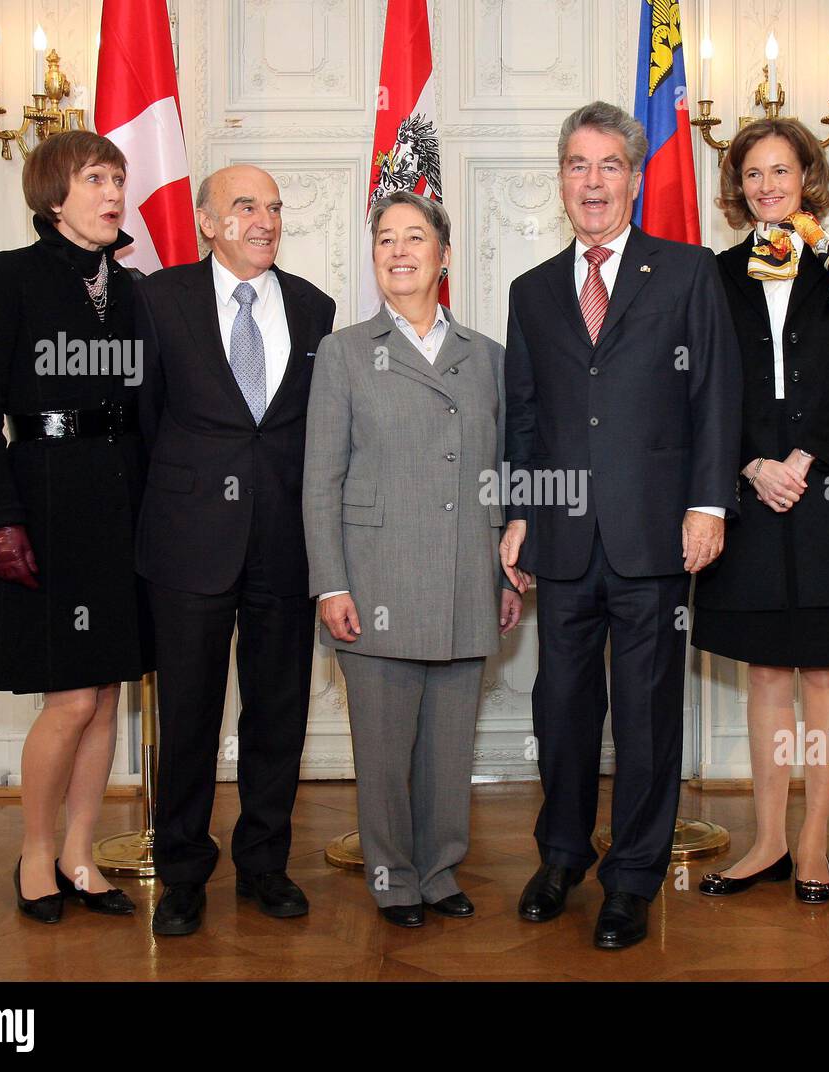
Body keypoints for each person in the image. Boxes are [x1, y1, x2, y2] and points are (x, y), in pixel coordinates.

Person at [502, 101, 741, 950]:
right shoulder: (529, 292)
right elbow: (522, 419)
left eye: (609, 165)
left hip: (655, 539)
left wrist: (708, 505)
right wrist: (519, 514)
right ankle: (562, 855)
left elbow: (716, 396)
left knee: (644, 714)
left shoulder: (686, 273)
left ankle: (632, 876)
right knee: (561, 708)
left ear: (635, 178)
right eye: (578, 165)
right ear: (561, 180)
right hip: (562, 542)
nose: (593, 181)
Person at [691, 119, 829, 904]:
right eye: (753, 173)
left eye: (781, 170)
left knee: (822, 667)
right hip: (752, 492)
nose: (767, 184)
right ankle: (769, 840)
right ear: (738, 187)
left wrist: (804, 458)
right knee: (767, 669)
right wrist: (751, 462)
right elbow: (708, 383)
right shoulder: (715, 274)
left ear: (807, 176)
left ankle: (815, 840)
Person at [303, 191, 522, 928]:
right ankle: (393, 876)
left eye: (415, 238)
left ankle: (438, 869)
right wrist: (329, 582)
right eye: (386, 240)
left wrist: (504, 569)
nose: (399, 251)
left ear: (445, 256)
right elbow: (320, 479)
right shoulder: (343, 352)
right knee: (387, 750)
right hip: (374, 580)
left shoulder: (487, 357)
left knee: (448, 746)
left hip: (466, 577)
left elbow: (502, 471)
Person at [134, 164, 336, 936]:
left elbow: (317, 432)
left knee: (277, 713)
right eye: (245, 206)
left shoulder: (315, 307)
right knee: (186, 717)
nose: (265, 220)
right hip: (188, 548)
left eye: (275, 208)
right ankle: (182, 872)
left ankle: (264, 865)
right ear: (207, 221)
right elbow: (146, 423)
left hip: (284, 546)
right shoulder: (158, 301)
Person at [0, 130, 152, 922]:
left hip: (124, 504)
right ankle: (35, 856)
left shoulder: (133, 288)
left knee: (107, 695)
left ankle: (80, 854)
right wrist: (0, 519)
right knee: (70, 698)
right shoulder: (8, 278)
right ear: (53, 194)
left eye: (119, 178)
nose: (113, 193)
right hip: (43, 504)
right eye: (96, 178)